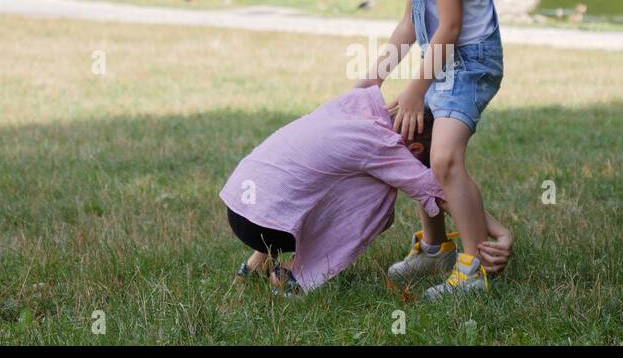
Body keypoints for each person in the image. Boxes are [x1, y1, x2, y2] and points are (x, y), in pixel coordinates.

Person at [346, 0, 505, 299]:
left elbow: (451, 27)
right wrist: (373, 77)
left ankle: (475, 268)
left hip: (470, 66)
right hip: (446, 63)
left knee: (444, 159)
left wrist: (415, 90)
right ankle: (436, 246)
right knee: (414, 148)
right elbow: (410, 26)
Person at [219, 86, 512, 295]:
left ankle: (255, 264)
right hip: (265, 225)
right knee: (378, 200)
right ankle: (293, 275)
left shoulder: (356, 104)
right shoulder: (382, 145)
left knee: (311, 180)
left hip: (240, 205)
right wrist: (500, 232)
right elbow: (438, 192)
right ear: (417, 148)